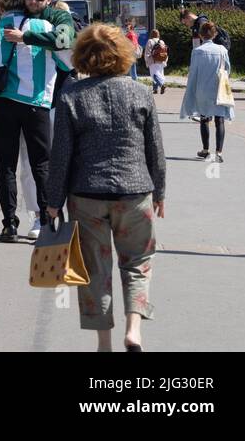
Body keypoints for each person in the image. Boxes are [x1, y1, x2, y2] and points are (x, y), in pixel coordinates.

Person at [44, 24, 166, 352]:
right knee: (138, 261)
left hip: (86, 195)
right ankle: (134, 329)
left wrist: (53, 201)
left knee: (95, 269)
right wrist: (161, 193)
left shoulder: (72, 96)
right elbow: (154, 147)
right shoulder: (140, 93)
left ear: (82, 56)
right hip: (135, 192)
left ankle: (103, 344)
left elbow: (61, 155)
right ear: (123, 55)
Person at [0, 0, 71, 242]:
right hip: (37, 105)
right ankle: (45, 220)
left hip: (3, 105)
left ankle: (9, 224)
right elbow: (67, 63)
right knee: (42, 165)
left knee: (5, 165)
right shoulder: (46, 27)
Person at [18, 0, 77, 239]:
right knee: (32, 164)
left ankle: (56, 213)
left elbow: (66, 51)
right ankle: (39, 215)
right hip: (31, 104)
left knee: (55, 161)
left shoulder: (59, 32)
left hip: (56, 104)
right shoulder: (21, 26)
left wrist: (32, 38)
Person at [180, 19, 233, 162]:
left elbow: (193, 73)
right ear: (214, 35)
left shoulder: (197, 51)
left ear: (201, 35)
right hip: (218, 89)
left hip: (202, 90)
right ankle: (219, 152)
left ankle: (205, 149)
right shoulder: (222, 50)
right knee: (219, 120)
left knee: (204, 119)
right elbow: (227, 69)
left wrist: (190, 91)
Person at [144, 28, 168, 94]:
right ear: (158, 34)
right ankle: (155, 89)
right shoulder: (162, 41)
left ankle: (162, 85)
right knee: (159, 74)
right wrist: (165, 60)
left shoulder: (150, 41)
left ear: (151, 34)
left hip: (153, 61)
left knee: (154, 75)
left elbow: (147, 52)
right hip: (161, 60)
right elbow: (165, 51)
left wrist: (147, 60)